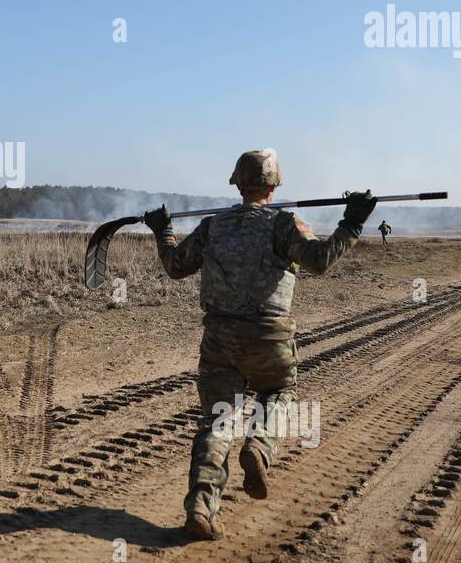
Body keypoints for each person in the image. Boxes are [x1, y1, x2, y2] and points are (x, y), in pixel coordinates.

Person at [145, 150, 376, 540]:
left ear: (237, 183)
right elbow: (319, 261)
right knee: (278, 390)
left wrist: (162, 230)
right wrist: (352, 222)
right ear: (274, 186)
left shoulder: (212, 226)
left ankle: (201, 508)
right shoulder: (284, 225)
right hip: (270, 337)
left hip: (220, 338)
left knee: (216, 421)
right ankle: (260, 444)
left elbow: (175, 266)